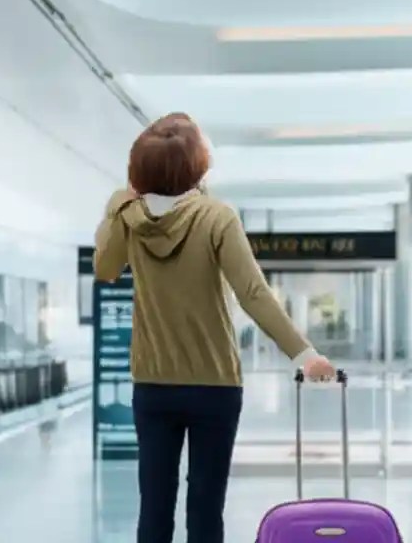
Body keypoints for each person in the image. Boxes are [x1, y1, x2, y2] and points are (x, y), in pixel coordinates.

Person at [94, 112, 335, 543]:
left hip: (153, 385)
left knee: (154, 508)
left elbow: (106, 268)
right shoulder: (217, 217)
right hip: (215, 386)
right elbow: (253, 292)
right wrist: (305, 355)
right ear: (197, 166)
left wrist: (117, 205)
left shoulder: (129, 217)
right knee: (206, 509)